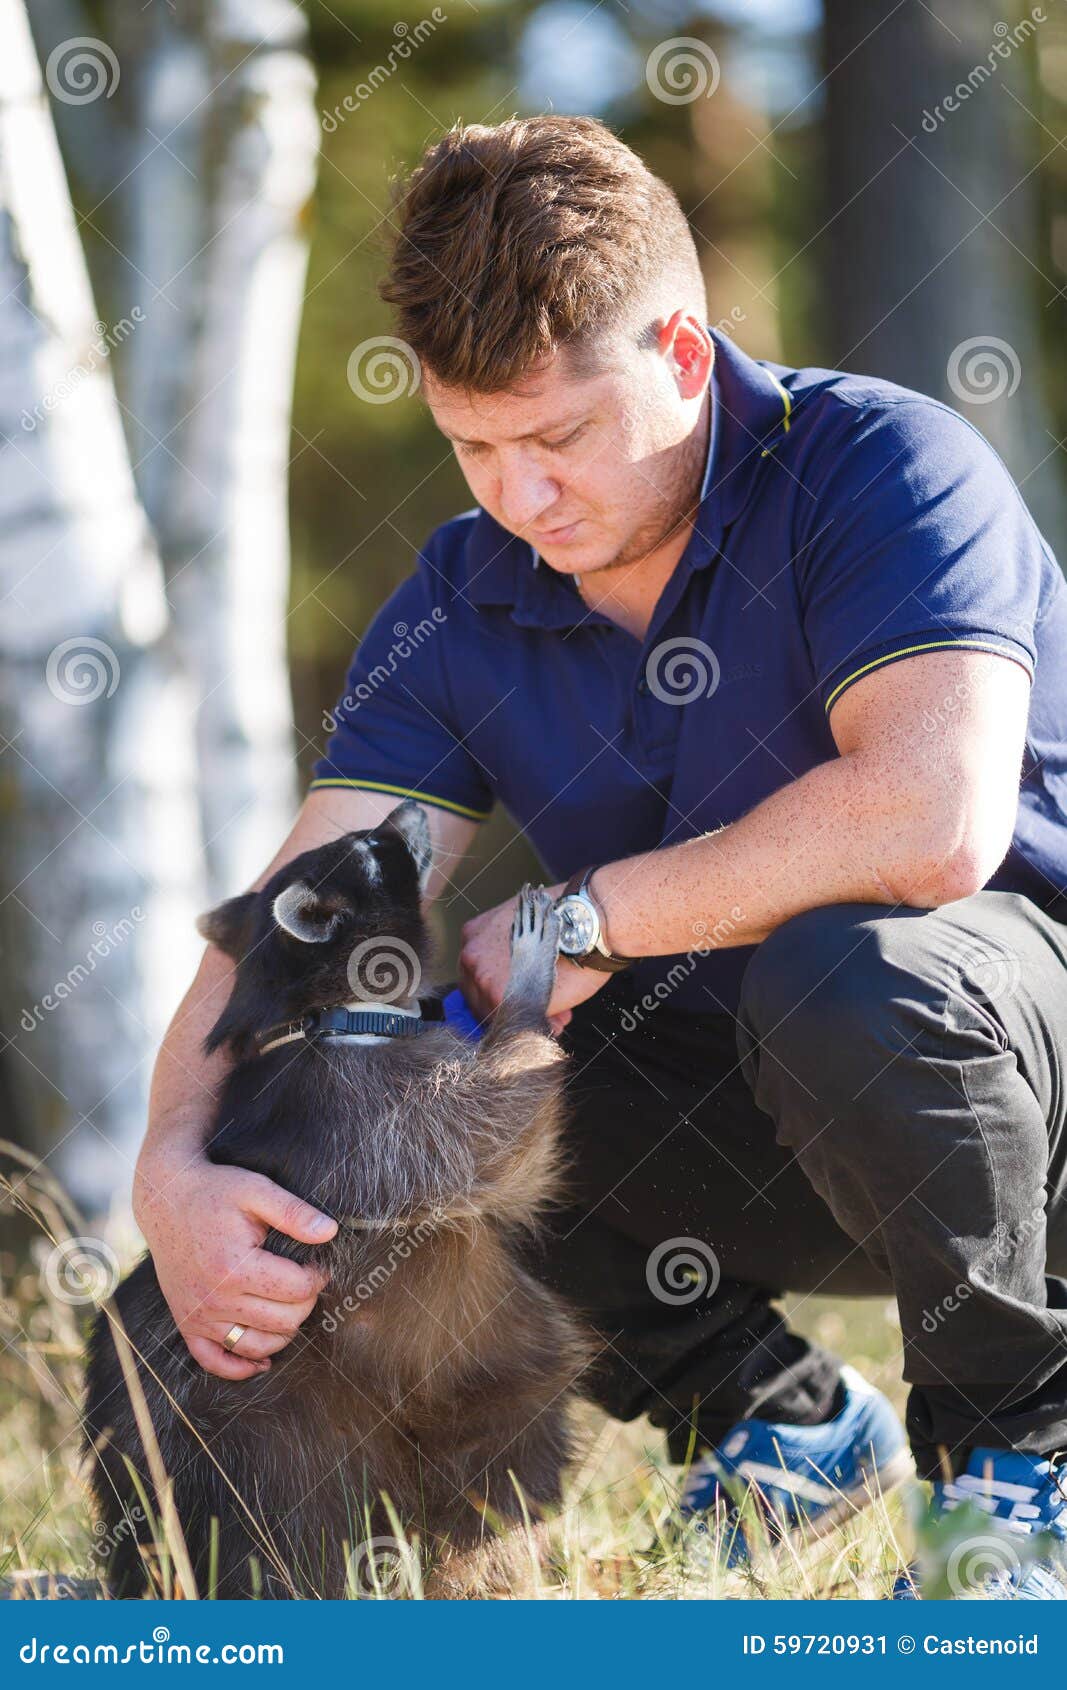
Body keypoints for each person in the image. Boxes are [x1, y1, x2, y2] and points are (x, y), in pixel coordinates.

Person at [135, 115, 1067, 1597]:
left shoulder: (884, 468)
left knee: (844, 969)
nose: (519, 496)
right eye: (474, 447)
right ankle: (776, 1417)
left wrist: (584, 918)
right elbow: (299, 913)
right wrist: (171, 1165)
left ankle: (1020, 1482)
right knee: (411, 1077)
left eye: (559, 436)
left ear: (686, 356)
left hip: (1017, 1083)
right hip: (766, 1112)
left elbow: (929, 820)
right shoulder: (464, 598)